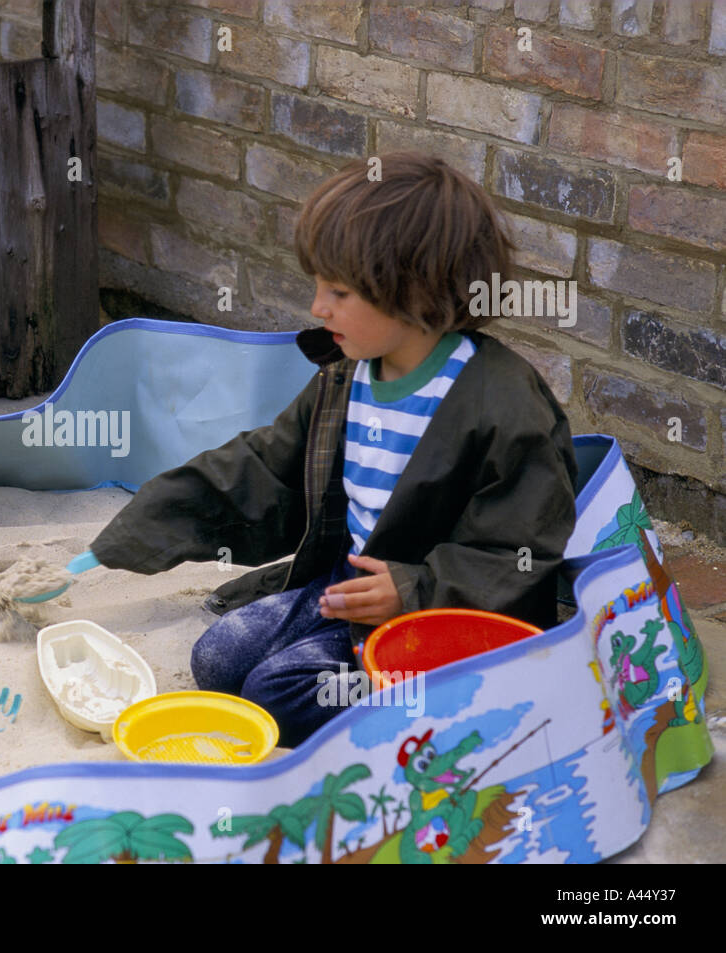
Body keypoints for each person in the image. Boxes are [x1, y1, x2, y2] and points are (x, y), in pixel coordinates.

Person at [88, 153, 578, 746]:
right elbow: (264, 464)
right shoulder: (347, 374)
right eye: (318, 286)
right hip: (348, 587)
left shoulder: (502, 402)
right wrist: (138, 528)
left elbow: (517, 550)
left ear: (416, 291)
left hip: (434, 622)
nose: (318, 308)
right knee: (218, 659)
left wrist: (415, 586)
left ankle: (414, 707)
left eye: (339, 292)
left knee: (277, 693)